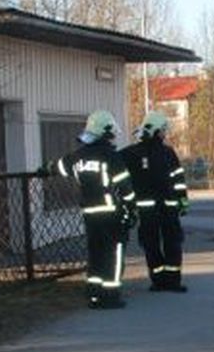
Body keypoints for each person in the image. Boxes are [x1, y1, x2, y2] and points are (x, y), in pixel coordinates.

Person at [50, 110, 137, 309]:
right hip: (111, 213)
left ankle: (94, 295)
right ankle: (111, 296)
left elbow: (59, 167)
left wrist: (45, 169)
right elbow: (125, 187)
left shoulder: (78, 157)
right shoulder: (111, 157)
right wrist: (131, 210)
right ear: (106, 132)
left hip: (90, 214)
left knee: (96, 254)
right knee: (113, 254)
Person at [120, 111, 189, 293]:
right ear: (158, 131)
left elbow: (116, 168)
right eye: (164, 131)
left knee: (151, 244)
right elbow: (178, 180)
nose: (165, 134)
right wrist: (183, 202)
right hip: (169, 207)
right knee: (172, 243)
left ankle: (158, 281)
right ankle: (172, 281)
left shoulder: (131, 153)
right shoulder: (167, 152)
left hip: (147, 210)